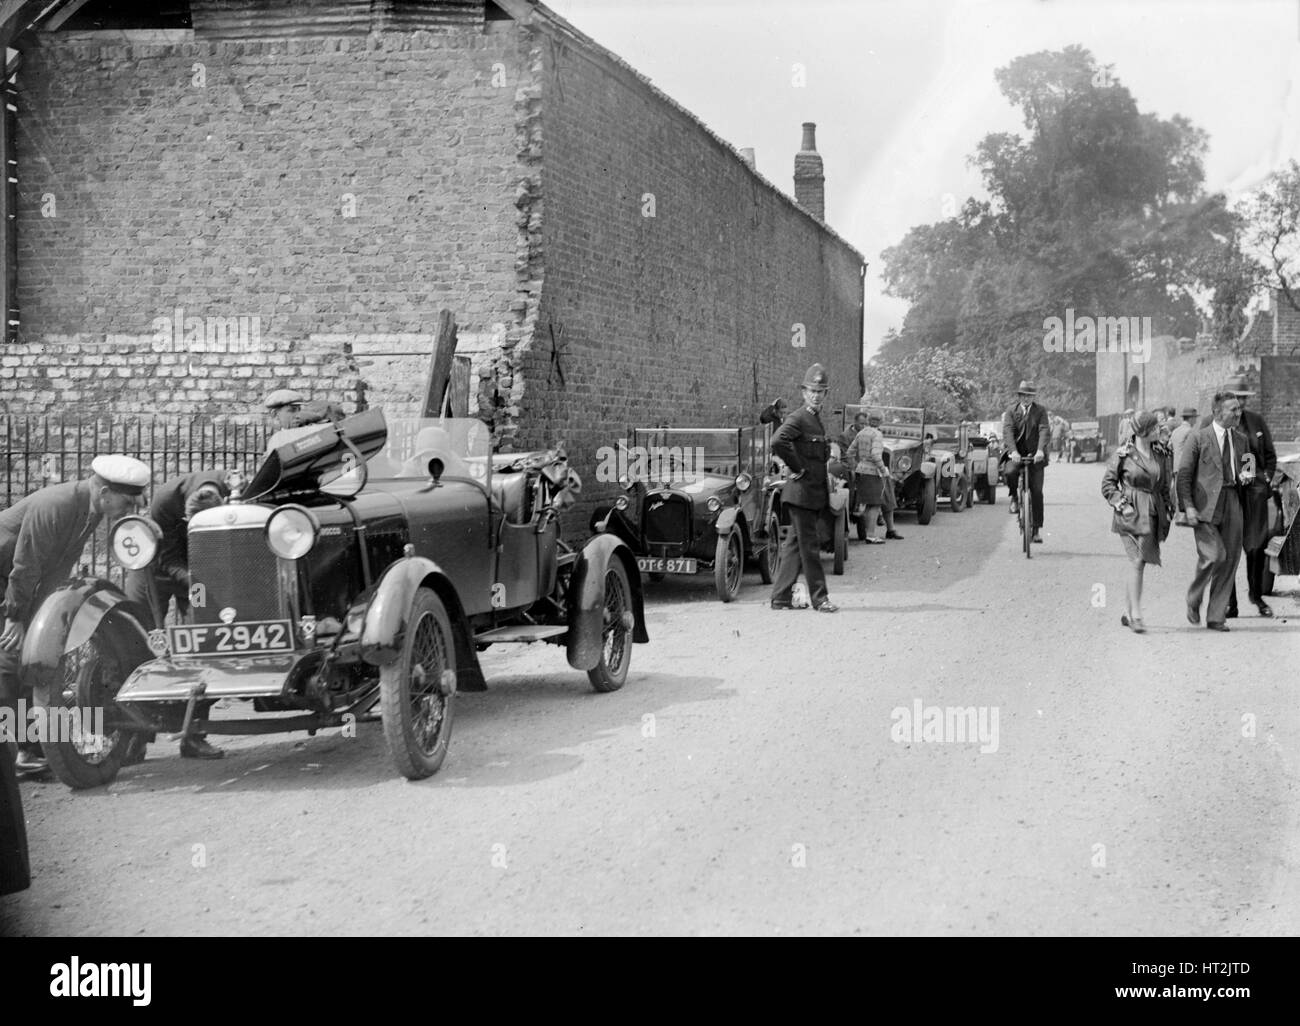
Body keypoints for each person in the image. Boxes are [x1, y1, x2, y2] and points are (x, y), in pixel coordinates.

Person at [0, 455, 149, 780]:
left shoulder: (89, 510)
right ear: (106, 493)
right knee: (9, 662)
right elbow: (25, 566)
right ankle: (21, 753)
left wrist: (39, 617)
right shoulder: (57, 504)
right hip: (7, 576)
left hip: (16, 579)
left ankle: (35, 748)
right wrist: (14, 616)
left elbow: (57, 571)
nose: (129, 510)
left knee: (30, 660)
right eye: (126, 501)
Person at [122, 471, 231, 761]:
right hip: (154, 571)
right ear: (184, 511)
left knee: (204, 640)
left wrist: (202, 582)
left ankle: (194, 737)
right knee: (138, 644)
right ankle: (136, 738)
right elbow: (168, 560)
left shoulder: (226, 489)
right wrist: (196, 579)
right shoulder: (164, 501)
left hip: (197, 575)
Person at [1199, 376, 1277, 618]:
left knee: (1255, 547)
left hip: (1253, 493)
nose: (1240, 404)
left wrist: (1264, 479)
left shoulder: (1256, 421)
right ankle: (1230, 602)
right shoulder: (1209, 424)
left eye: (1243, 399)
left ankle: (1256, 595)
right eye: (1236, 398)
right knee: (1226, 550)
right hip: (1226, 494)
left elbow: (1269, 456)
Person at [1178, 392, 1252, 632]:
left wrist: (1248, 476)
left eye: (1239, 409)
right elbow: (1185, 475)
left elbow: (1250, 467)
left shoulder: (1242, 440)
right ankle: (1194, 598)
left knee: (1230, 560)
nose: (1238, 413)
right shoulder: (1198, 439)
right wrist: (1188, 506)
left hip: (1233, 501)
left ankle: (1216, 616)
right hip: (1204, 507)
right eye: (1233, 409)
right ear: (1218, 412)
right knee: (1214, 555)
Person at [769, 364, 838, 613]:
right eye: (812, 390)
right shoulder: (798, 417)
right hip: (801, 494)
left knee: (795, 546)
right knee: (810, 547)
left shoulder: (815, 421)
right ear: (803, 392)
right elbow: (778, 440)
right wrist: (796, 467)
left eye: (820, 391)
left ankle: (780, 597)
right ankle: (820, 599)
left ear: (825, 394)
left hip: (810, 495)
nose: (816, 395)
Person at [1101, 411, 1173, 634]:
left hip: (1152, 511)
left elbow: (1164, 484)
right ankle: (1136, 615)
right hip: (1130, 511)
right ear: (1144, 431)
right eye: (1154, 429)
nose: (1158, 431)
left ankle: (1126, 610)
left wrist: (1169, 508)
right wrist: (1122, 504)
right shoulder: (1123, 454)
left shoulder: (1161, 453)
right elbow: (1108, 485)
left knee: (1139, 562)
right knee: (1137, 561)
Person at [1000, 379, 1050, 543]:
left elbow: (1044, 430)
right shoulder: (1010, 411)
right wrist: (1013, 451)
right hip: (1016, 454)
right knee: (1010, 472)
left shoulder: (1040, 411)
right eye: (1023, 395)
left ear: (1033, 397)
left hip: (1036, 456)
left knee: (1037, 491)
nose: (1026, 399)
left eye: (1029, 396)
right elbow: (1008, 432)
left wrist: (1041, 450)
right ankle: (1014, 497)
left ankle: (1035, 530)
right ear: (1019, 396)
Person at [845, 408, 888, 544]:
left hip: (860, 470)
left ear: (869, 420)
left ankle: (867, 532)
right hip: (872, 472)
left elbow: (849, 452)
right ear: (881, 421)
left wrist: (855, 465)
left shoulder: (861, 433)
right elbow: (876, 455)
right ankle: (870, 535)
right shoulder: (877, 434)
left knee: (865, 503)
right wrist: (883, 469)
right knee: (874, 504)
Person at [264, 388, 347, 431]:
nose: (298, 415)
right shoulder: (269, 437)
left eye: (299, 410)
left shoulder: (306, 429)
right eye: (292, 410)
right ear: (275, 414)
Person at [1168, 406, 1198, 520]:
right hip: (1187, 465)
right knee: (1186, 489)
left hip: (1176, 465)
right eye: (1195, 418)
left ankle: (1179, 514)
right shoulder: (1191, 431)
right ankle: (1184, 515)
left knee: (1177, 489)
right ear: (1191, 419)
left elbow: (1169, 446)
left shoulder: (1176, 431)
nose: (1195, 420)